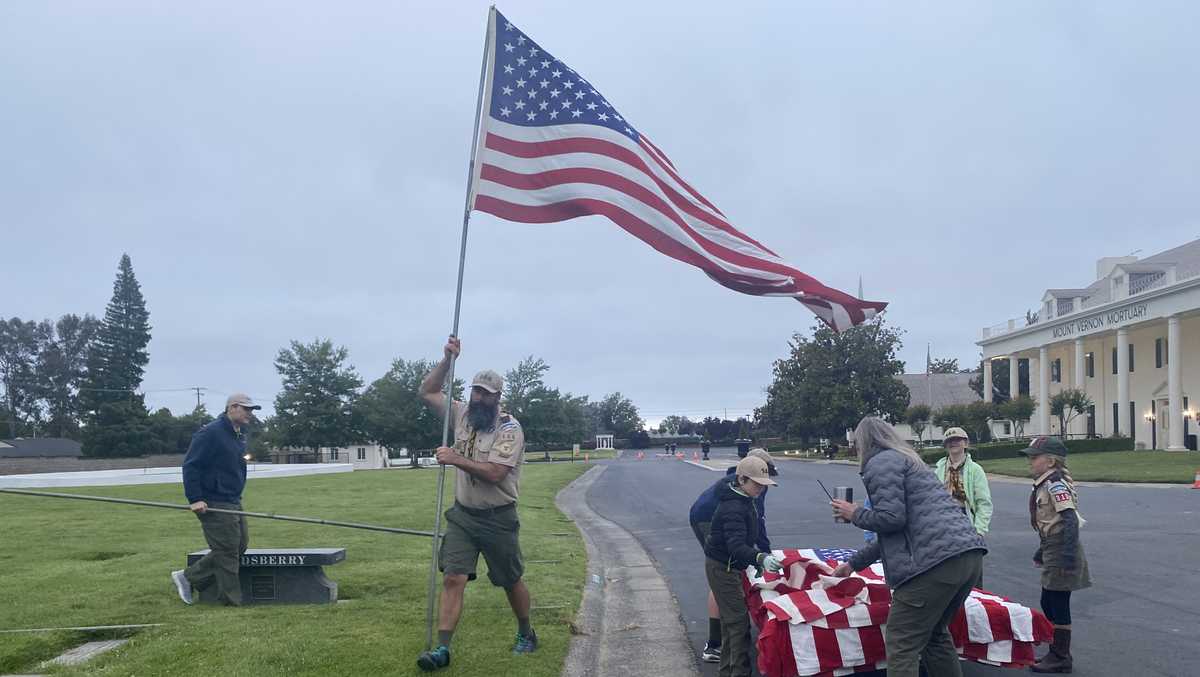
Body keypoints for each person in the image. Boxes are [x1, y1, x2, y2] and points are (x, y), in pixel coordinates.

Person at [830, 417, 987, 677]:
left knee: (902, 642)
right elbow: (897, 534)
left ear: (864, 441)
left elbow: (891, 519)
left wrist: (854, 513)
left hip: (934, 565)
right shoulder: (910, 462)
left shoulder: (879, 463)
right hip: (967, 556)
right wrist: (852, 565)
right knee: (935, 634)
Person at [415, 336, 534, 671]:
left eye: (486, 393)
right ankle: (442, 649)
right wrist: (446, 361)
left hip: (499, 518)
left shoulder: (509, 429)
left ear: (498, 397)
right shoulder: (462, 414)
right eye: (476, 391)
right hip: (463, 517)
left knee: (509, 580)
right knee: (454, 577)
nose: (479, 398)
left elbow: (496, 473)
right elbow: (428, 392)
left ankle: (526, 632)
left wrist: (454, 458)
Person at [688, 448, 778, 663]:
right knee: (723, 570)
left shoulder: (736, 480)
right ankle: (715, 643)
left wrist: (758, 552)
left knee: (729, 569)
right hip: (707, 519)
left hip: (705, 514)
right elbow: (757, 522)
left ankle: (726, 632)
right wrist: (763, 554)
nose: (766, 482)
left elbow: (752, 525)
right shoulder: (750, 487)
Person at [172, 393, 260, 606]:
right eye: (246, 409)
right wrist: (195, 498)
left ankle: (188, 576)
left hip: (233, 498)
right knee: (228, 551)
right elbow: (191, 465)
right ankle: (232, 602)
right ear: (232, 408)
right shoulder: (210, 433)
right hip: (213, 500)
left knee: (239, 545)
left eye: (251, 410)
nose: (250, 414)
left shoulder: (238, 434)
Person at [1021, 436, 1091, 673]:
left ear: (1050, 461)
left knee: (1058, 602)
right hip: (1053, 546)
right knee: (1048, 600)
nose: (1030, 461)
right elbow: (1050, 522)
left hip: (1062, 548)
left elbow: (1069, 520)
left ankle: (1061, 656)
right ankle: (1056, 650)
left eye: (1034, 457)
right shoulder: (1044, 482)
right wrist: (1043, 550)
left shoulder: (1055, 484)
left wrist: (1068, 557)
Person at [933, 427, 993, 586]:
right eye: (949, 441)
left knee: (971, 570)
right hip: (944, 522)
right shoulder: (939, 469)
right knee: (946, 568)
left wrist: (980, 530)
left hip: (966, 520)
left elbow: (984, 503)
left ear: (965, 443)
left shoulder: (975, 470)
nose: (953, 443)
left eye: (957, 440)